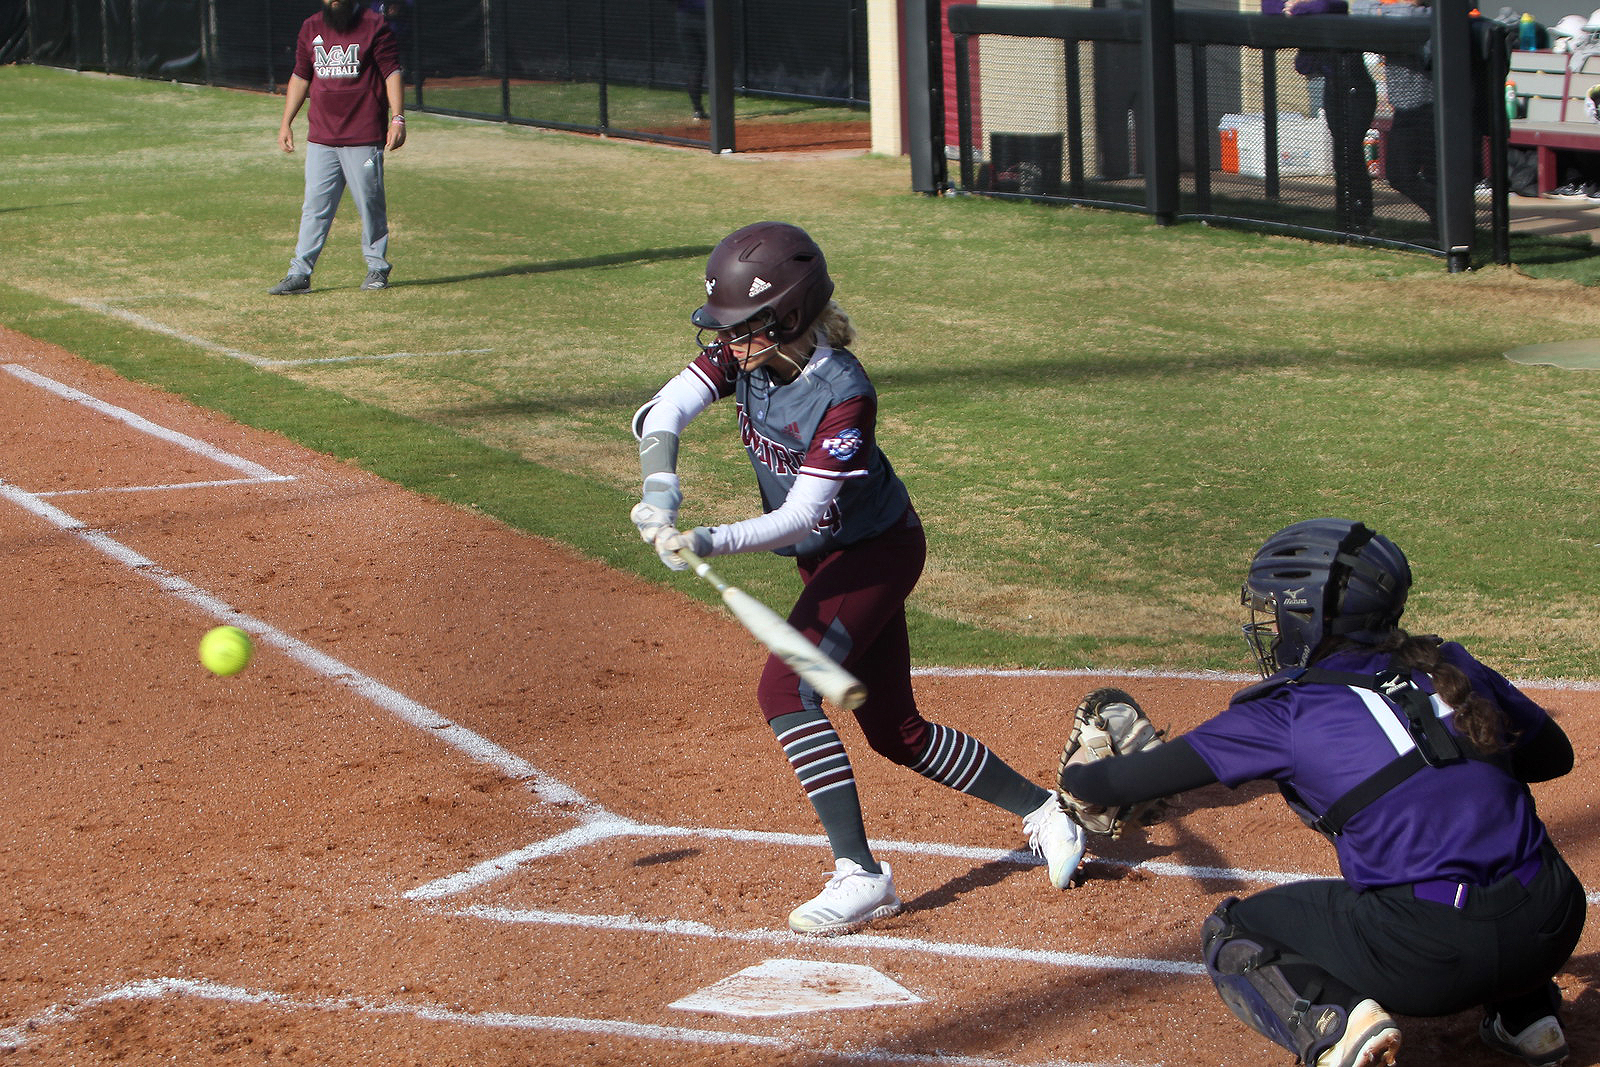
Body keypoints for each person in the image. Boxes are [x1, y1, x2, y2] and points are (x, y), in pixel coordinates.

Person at [629, 221, 1085, 936]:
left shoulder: (843, 392)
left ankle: (861, 874)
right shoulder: (744, 358)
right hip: (831, 558)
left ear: (786, 318)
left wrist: (706, 539)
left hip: (874, 552)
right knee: (897, 732)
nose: (725, 342)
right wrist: (661, 491)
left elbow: (803, 514)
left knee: (785, 688)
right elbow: (664, 410)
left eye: (740, 326)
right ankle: (1044, 809)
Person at [1058, 518, 1584, 1067]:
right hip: (1553, 920)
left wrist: (1077, 770)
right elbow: (1553, 758)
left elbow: (1112, 784)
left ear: (1310, 616)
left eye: (1278, 609)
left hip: (1431, 961)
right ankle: (1529, 1018)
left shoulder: (1286, 711)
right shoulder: (1452, 664)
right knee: (1487, 849)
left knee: (1236, 931)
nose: (1272, 624)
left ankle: (1337, 1030)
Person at [268, 0, 406, 295]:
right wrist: (285, 122)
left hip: (364, 136)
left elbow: (391, 72)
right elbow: (301, 75)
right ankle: (299, 273)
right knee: (315, 207)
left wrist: (397, 118)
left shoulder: (374, 25)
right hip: (322, 137)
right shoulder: (311, 26)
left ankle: (377, 268)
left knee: (369, 204)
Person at [1287, 0, 1379, 233]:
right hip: (1333, 88)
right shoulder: (1309, 20)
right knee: (1342, 150)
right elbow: (1303, 66)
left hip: (1357, 88)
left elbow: (1329, 5)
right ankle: (1348, 214)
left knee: (1351, 149)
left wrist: (1297, 8)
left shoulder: (1330, 8)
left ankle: (1361, 215)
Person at [1381, 0, 1437, 220]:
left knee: (1436, 174)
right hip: (1403, 109)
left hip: (1432, 108)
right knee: (1397, 173)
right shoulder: (1387, 13)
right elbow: (1359, 8)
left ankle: (1444, 226)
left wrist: (1385, 11)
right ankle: (1440, 212)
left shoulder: (1430, 16)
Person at [674, 0, 709, 121]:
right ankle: (716, 109)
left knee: (694, 66)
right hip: (706, 16)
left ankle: (697, 110)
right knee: (716, 61)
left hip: (684, 17)